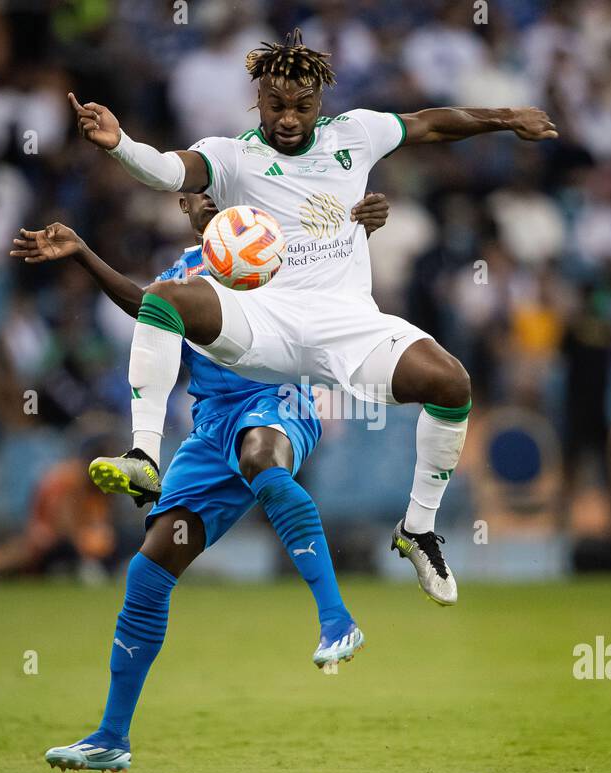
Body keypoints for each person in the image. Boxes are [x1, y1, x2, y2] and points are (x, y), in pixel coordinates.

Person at [68, 28, 558, 605]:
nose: (289, 119)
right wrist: (119, 142)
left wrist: (506, 117)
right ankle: (145, 455)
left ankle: (418, 530)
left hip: (348, 324)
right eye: (276, 105)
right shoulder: (234, 156)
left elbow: (431, 123)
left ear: (320, 102)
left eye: (302, 106)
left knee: (451, 383)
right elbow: (166, 171)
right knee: (166, 297)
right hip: (264, 324)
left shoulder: (356, 135)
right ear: (259, 100)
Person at [8, 189, 390, 773]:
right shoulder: (184, 272)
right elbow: (144, 306)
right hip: (211, 430)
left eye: (213, 193)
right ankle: (112, 736)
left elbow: (338, 269)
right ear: (184, 209)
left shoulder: (288, 248)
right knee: (149, 569)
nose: (203, 203)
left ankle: (337, 621)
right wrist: (84, 254)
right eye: (194, 197)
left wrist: (362, 226)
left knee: (263, 458)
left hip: (277, 401)